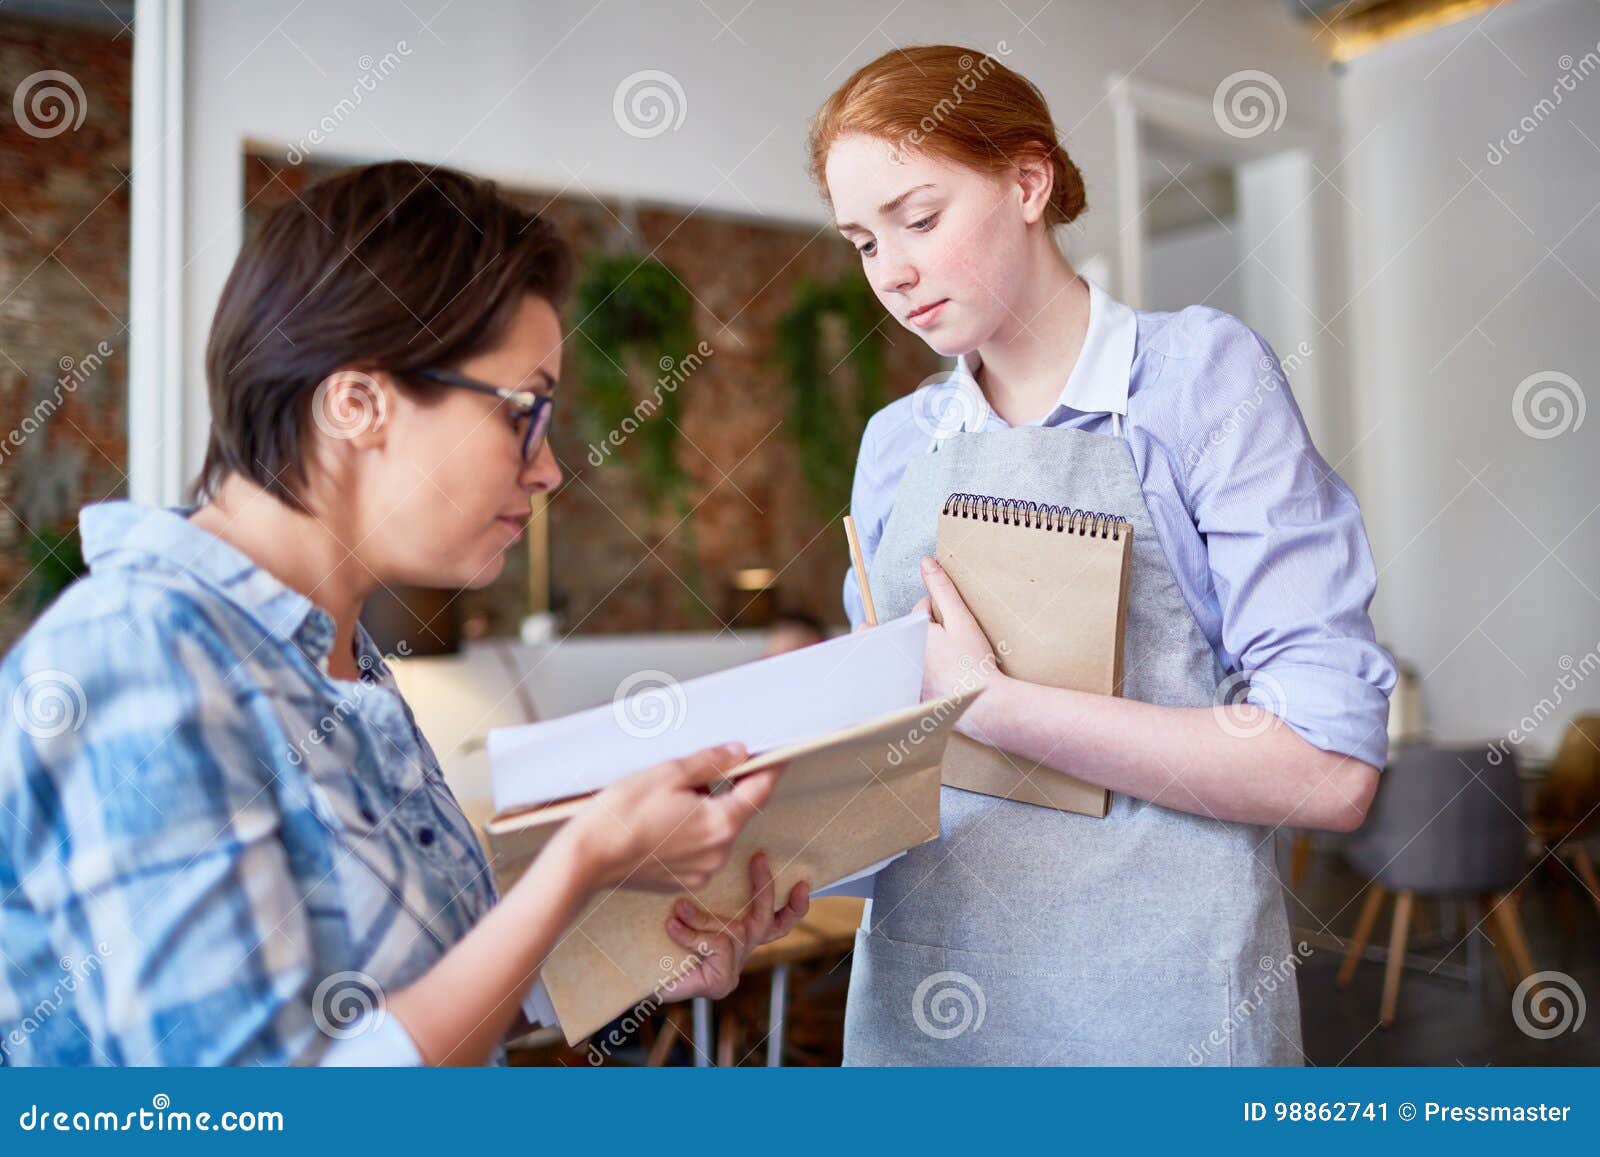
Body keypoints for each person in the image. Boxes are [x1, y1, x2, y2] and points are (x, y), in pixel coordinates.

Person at [0, 162, 808, 1067]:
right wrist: (579, 861)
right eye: (523, 413)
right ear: (358, 401)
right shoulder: (135, 659)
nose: (547, 469)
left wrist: (626, 954)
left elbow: (391, 1012)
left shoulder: (337, 659)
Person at [808, 46, 1395, 1065]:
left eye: (919, 217)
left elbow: (1327, 767)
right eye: (863, 241)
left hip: (1160, 1009)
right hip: (927, 1006)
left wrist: (988, 702)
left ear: (1028, 181)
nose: (892, 273)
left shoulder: (1198, 381)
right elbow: (887, 761)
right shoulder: (898, 444)